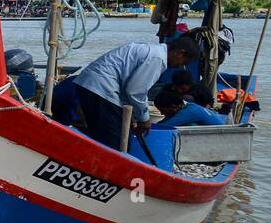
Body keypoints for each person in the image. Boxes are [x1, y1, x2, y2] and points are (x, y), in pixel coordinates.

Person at [72, 36, 200, 148]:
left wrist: (133, 117)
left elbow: (129, 88)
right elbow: (136, 91)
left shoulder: (152, 50)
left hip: (92, 83)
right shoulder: (158, 58)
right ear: (180, 53)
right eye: (183, 62)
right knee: (114, 141)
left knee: (104, 135)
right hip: (102, 87)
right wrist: (144, 118)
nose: (179, 66)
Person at [153, 88, 226, 129]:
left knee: (188, 125)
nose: (162, 114)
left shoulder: (189, 112)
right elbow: (163, 122)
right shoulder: (188, 106)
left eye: (163, 111)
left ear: (173, 106)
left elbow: (166, 125)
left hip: (221, 135)